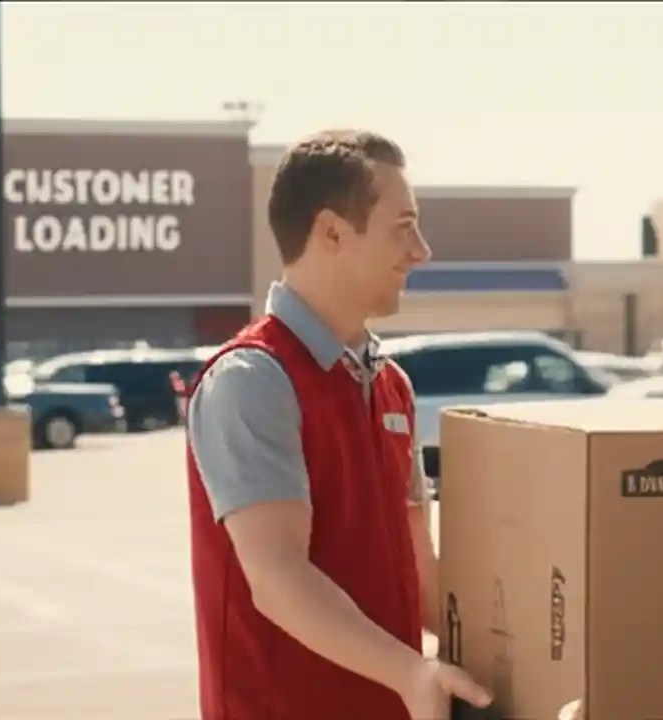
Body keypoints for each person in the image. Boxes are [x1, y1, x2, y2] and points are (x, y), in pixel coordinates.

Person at [184, 129, 492, 720]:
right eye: (402, 226)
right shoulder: (252, 379)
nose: (422, 250)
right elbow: (277, 579)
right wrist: (410, 671)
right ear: (330, 232)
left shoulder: (391, 384)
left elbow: (420, 577)